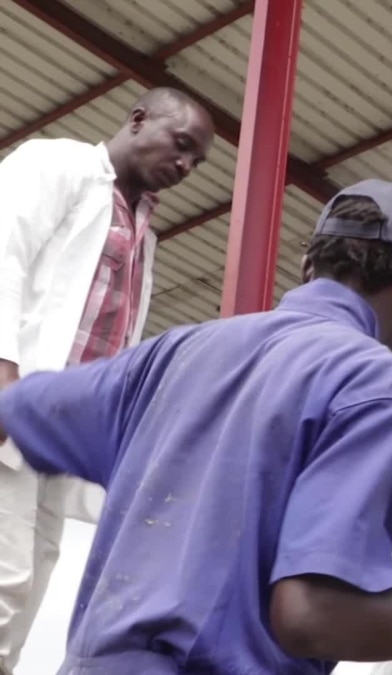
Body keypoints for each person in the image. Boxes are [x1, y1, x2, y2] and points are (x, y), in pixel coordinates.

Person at [0, 179, 392, 674]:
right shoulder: (377, 388)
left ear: (309, 265)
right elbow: (309, 616)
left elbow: (17, 408)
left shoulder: (169, 354)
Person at [0, 86, 214, 673]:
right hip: (14, 406)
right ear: (138, 119)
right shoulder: (57, 164)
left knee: (31, 579)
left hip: (60, 434)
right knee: (5, 576)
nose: (185, 165)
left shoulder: (145, 231)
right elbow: (2, 254)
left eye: (196, 161)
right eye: (181, 144)